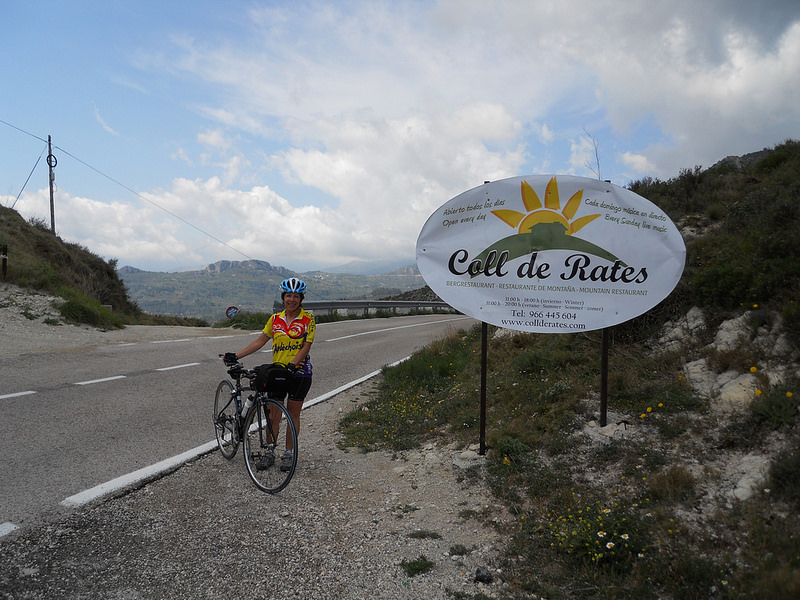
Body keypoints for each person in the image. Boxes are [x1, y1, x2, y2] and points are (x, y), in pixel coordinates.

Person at [223, 277, 315, 472]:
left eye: (296, 296)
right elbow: (260, 341)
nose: (292, 299)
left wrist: (292, 365)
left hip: (299, 374)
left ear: (301, 298)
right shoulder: (275, 319)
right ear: (283, 297)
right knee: (273, 415)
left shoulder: (308, 319)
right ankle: (269, 451)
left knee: (293, 415)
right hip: (277, 374)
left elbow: (306, 346)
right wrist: (236, 355)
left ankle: (289, 453)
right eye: (288, 295)